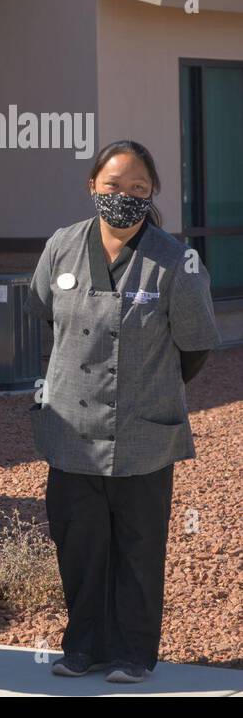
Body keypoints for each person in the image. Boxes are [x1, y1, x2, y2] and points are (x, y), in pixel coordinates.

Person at [28, 140, 218, 684]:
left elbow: (197, 344)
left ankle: (135, 654)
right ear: (92, 186)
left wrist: (151, 389)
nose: (124, 198)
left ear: (153, 194)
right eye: (112, 186)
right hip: (71, 430)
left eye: (138, 189)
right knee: (79, 544)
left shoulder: (175, 260)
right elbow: (44, 310)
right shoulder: (62, 246)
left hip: (144, 433)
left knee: (138, 549)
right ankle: (83, 646)